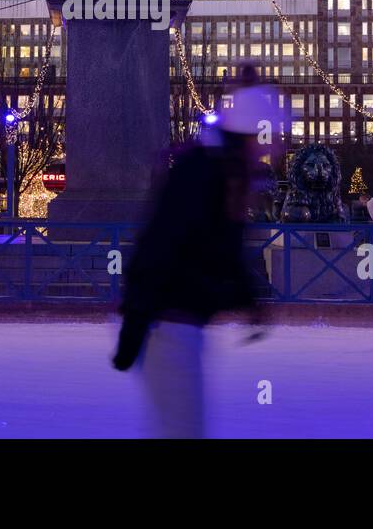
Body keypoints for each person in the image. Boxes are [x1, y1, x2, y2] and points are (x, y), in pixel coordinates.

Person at [112, 83, 274, 438]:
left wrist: (249, 302)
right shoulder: (205, 171)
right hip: (165, 324)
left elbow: (225, 251)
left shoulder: (226, 173)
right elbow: (161, 243)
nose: (273, 146)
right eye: (269, 135)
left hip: (178, 324)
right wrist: (135, 325)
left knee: (181, 428)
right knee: (181, 430)